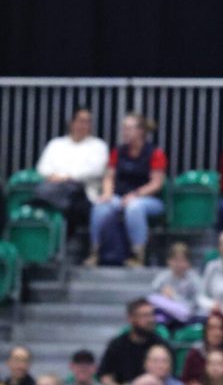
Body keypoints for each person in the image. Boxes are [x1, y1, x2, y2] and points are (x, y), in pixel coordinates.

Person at [87, 113, 167, 266]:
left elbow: (156, 184)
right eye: (124, 128)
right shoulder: (118, 151)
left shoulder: (155, 153)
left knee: (134, 208)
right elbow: (109, 177)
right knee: (100, 207)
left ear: (140, 131)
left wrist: (135, 195)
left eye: (129, 128)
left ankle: (138, 254)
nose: (125, 132)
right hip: (120, 197)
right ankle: (95, 251)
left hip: (148, 199)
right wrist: (107, 193)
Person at [35, 107, 108, 242]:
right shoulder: (56, 144)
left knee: (70, 192)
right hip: (55, 189)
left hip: (84, 195)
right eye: (81, 121)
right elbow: (42, 168)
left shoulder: (98, 145)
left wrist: (67, 177)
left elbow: (96, 169)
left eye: (88, 122)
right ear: (72, 123)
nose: (84, 125)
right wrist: (59, 178)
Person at [97, 299, 161, 385]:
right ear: (131, 318)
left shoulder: (160, 345)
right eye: (145, 316)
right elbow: (104, 376)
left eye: (152, 315)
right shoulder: (117, 345)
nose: (151, 320)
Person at [149, 243, 203, 325]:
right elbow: (153, 296)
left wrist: (174, 297)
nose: (179, 264)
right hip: (165, 314)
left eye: (182, 261)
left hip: (187, 317)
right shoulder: (162, 277)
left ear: (189, 263)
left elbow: (196, 304)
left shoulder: (194, 279)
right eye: (175, 260)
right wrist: (163, 296)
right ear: (169, 261)